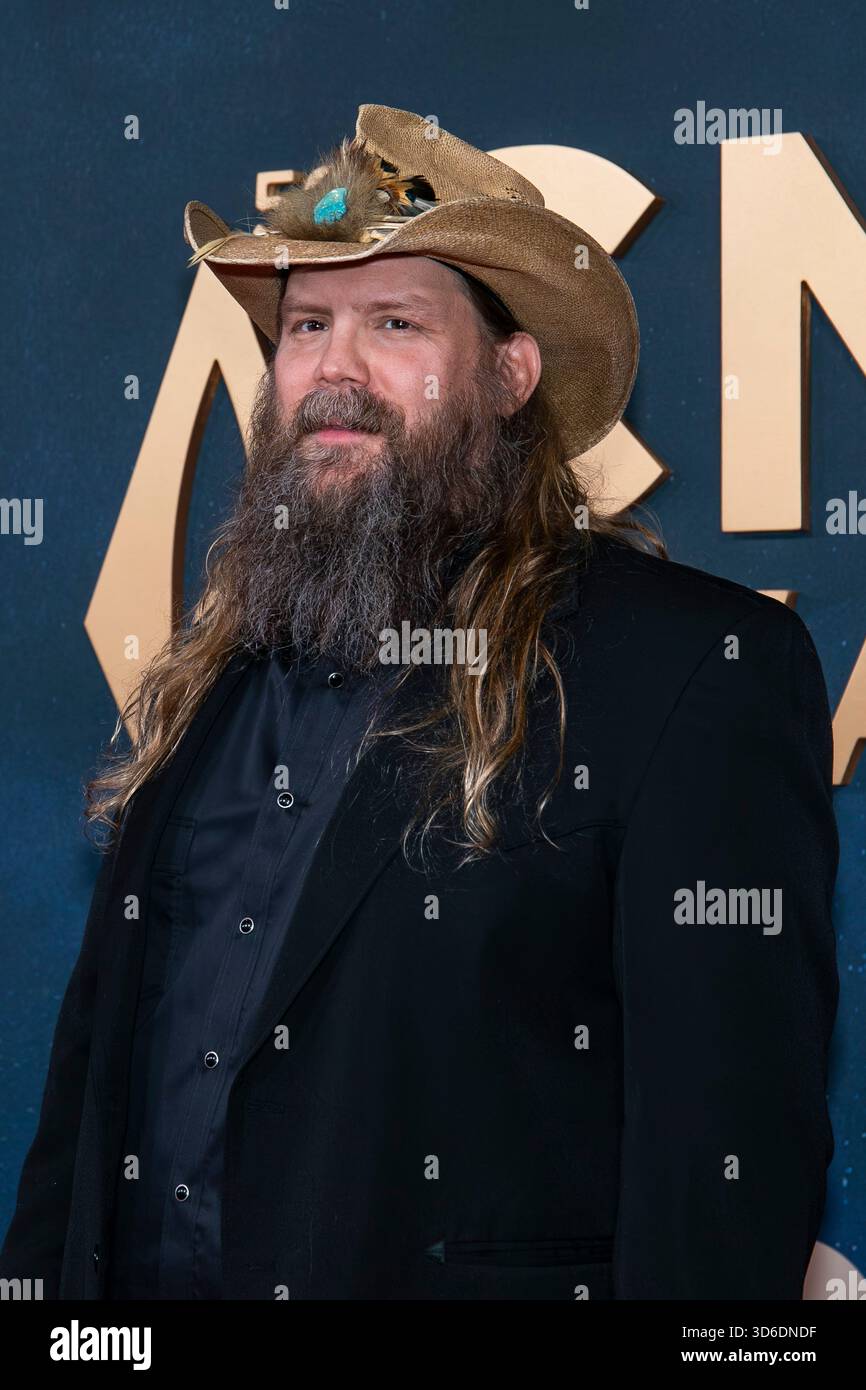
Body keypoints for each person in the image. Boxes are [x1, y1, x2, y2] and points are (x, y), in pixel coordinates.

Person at [0, 103, 838, 1301]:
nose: (333, 371)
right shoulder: (208, 682)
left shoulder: (688, 668)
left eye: (394, 323)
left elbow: (725, 1169)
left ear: (509, 375)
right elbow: (83, 1121)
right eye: (304, 325)